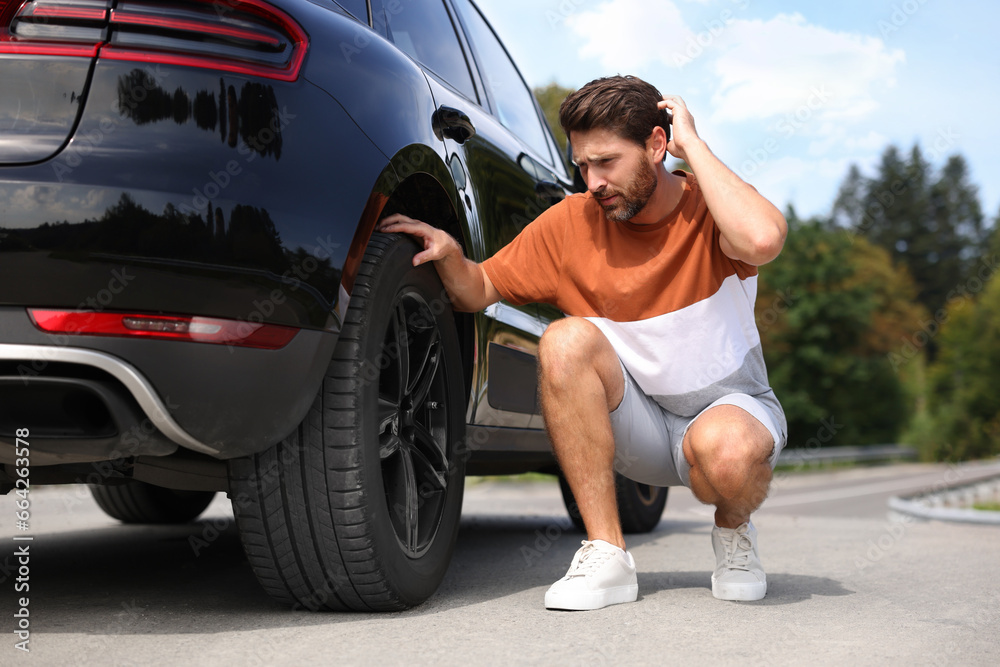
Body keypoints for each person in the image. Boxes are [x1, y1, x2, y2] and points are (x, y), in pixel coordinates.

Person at [378, 75, 788, 610]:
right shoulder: (572, 223)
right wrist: (451, 254)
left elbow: (762, 239)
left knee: (728, 456)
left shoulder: (709, 205)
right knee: (565, 340)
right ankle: (607, 555)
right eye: (581, 166)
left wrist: (697, 148)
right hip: (635, 425)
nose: (591, 181)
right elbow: (478, 289)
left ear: (658, 146)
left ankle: (734, 531)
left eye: (607, 162)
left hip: (723, 414)